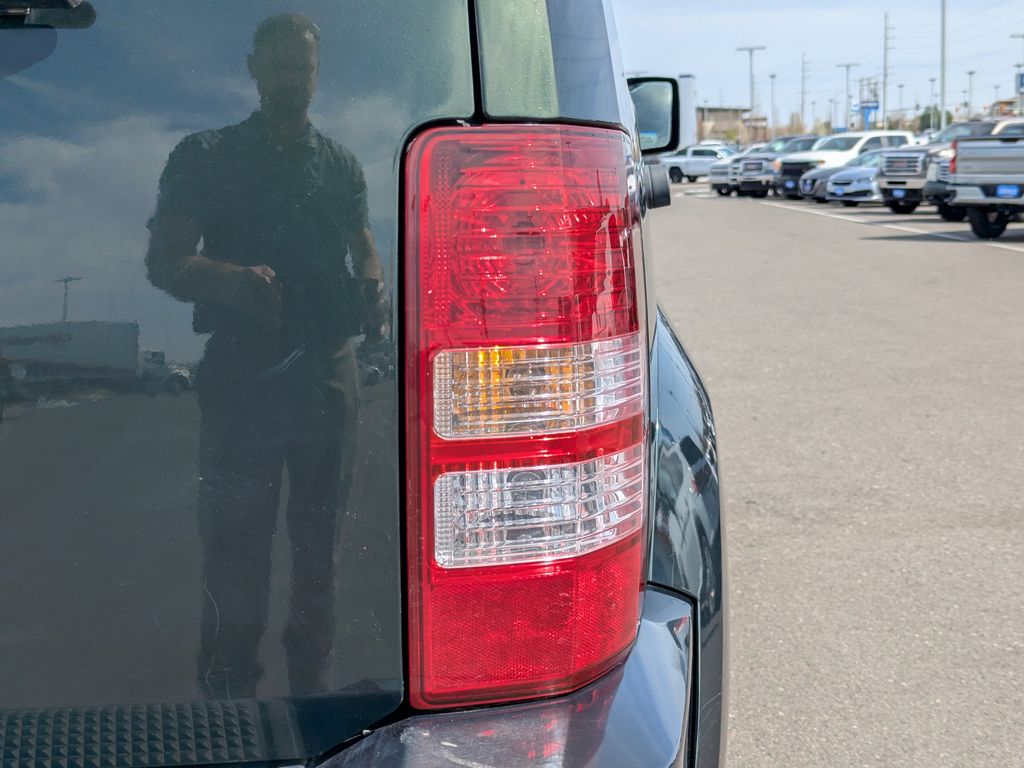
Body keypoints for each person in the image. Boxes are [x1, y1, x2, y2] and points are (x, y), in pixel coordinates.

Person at [145, 13, 385, 700]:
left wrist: (373, 285)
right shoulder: (205, 155)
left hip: (329, 369)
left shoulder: (338, 163)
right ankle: (226, 704)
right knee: (235, 552)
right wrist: (231, 281)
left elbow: (361, 241)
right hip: (244, 372)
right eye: (281, 63)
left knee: (321, 553)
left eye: (305, 65)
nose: (295, 75)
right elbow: (165, 260)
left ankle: (312, 693)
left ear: (318, 71)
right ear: (253, 68)